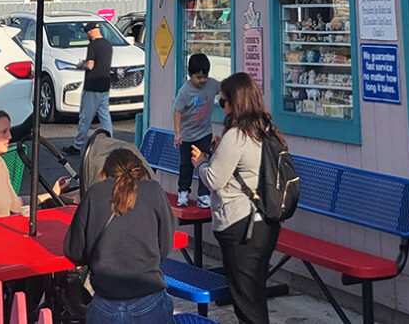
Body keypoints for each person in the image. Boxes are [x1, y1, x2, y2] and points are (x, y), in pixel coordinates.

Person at [192, 72, 284, 324]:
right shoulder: (265, 128)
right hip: (264, 223)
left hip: (242, 227)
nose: (222, 107)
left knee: (247, 302)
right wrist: (218, 152)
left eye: (224, 102)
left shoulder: (237, 135)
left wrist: (201, 162)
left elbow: (213, 179)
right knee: (253, 294)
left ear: (236, 102)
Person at [64, 145, 175, 324]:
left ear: (106, 172)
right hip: (149, 297)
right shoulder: (154, 190)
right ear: (140, 170)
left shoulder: (94, 193)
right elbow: (165, 246)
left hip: (106, 303)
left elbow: (74, 250)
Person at [173, 52, 220, 207]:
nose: (202, 81)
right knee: (186, 164)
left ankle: (204, 194)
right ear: (190, 75)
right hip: (187, 136)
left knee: (205, 163)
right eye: (198, 77)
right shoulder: (184, 92)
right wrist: (178, 133)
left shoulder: (212, 85)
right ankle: (183, 192)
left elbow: (224, 88)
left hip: (204, 133)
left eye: (204, 77)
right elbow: (177, 111)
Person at [65, 21, 113, 157]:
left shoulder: (93, 45)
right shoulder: (108, 45)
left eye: (87, 31)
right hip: (104, 84)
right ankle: (109, 143)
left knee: (85, 117)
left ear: (91, 31)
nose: (87, 34)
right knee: (104, 115)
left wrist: (81, 64)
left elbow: (90, 65)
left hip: (92, 86)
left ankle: (77, 145)